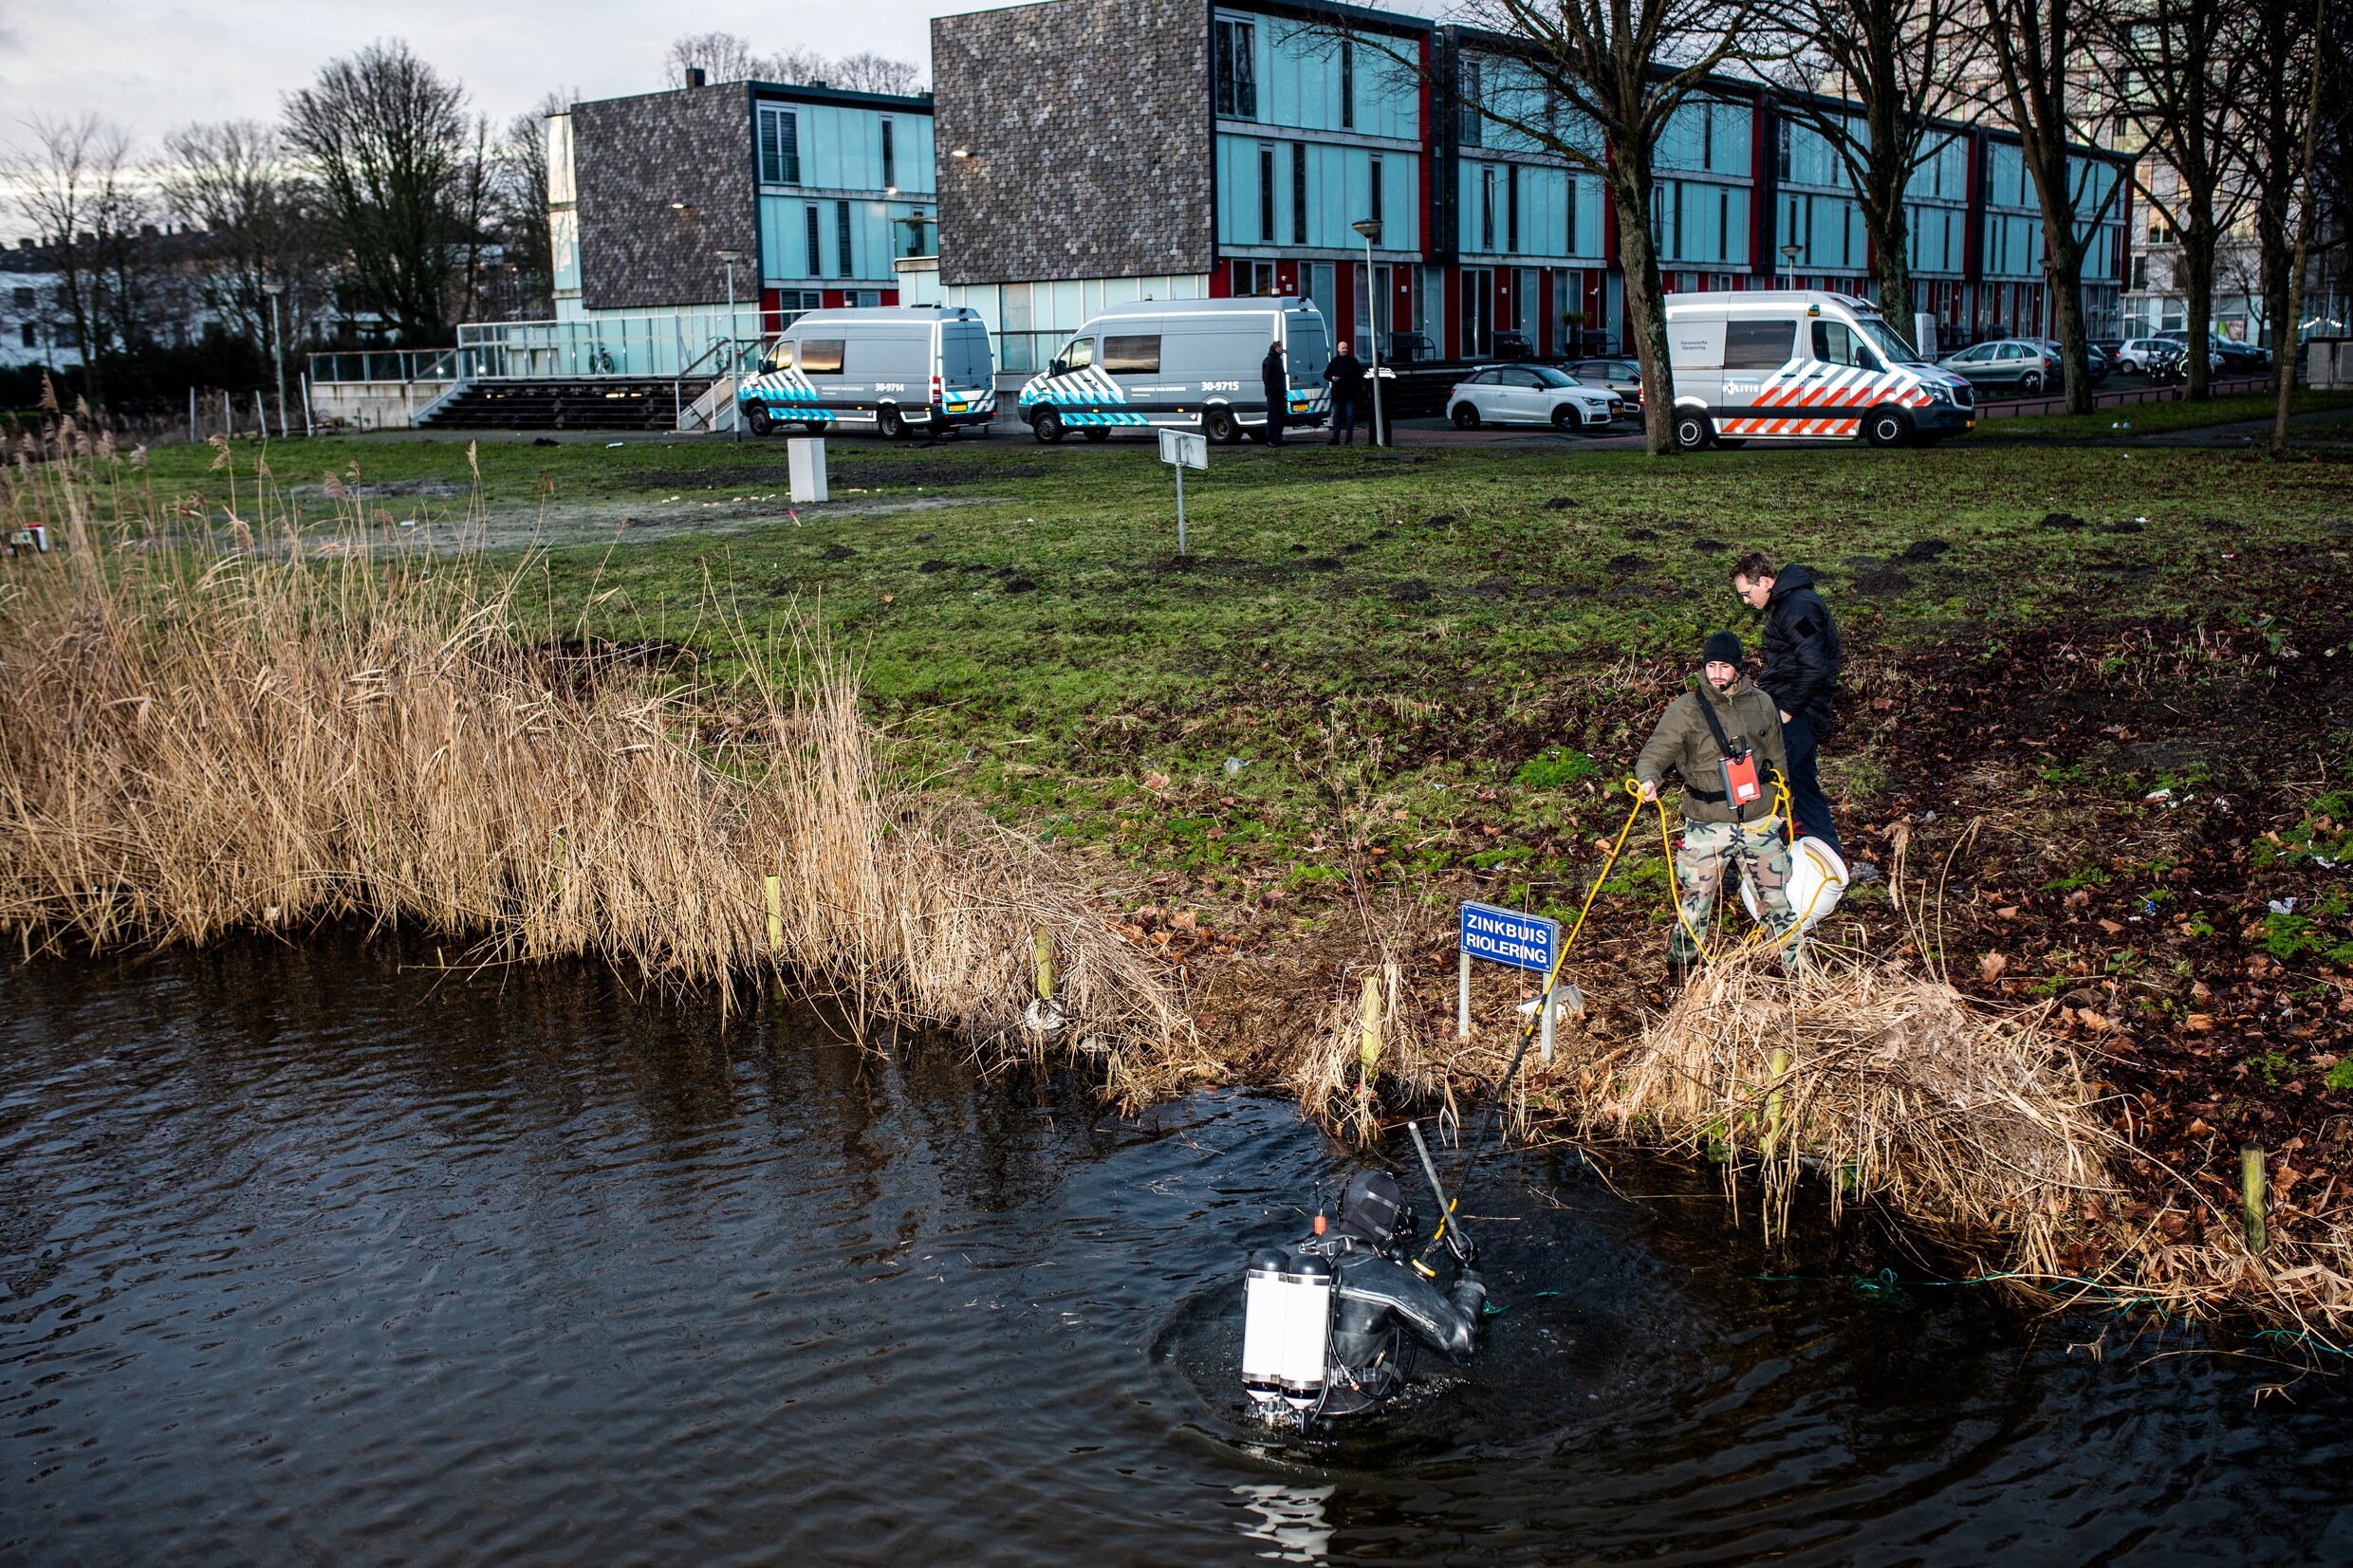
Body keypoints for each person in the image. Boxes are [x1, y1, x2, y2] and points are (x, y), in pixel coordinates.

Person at [1634, 630, 1801, 978]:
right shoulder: (1685, 709)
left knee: (1777, 902)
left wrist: (1785, 810)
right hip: (1707, 823)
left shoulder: (1762, 703)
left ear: (1738, 668)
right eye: (1711, 666)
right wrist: (1648, 778)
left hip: (1759, 820)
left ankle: (1800, 978)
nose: (1717, 674)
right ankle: (1682, 973)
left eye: (1724, 666)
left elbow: (1777, 757)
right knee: (1696, 905)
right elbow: (1655, 752)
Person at [1295, 1171, 1484, 1417]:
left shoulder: (1291, 1256)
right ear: (1388, 1221)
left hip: (1281, 1400)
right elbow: (1462, 1339)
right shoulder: (1388, 1281)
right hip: (1353, 1411)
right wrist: (1470, 1274)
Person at [1730, 553, 1869, 877]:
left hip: (1799, 712)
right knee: (1804, 786)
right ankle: (1830, 867)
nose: (1746, 602)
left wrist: (1788, 710)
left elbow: (1815, 665)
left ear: (1764, 581)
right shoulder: (1792, 605)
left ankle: (1752, 870)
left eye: (1746, 593)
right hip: (1800, 710)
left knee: (1764, 784)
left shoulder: (1798, 607)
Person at [1324, 340, 1366, 445]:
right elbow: (1325, 375)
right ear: (1338, 349)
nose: (1344, 350)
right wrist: (1332, 378)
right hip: (1337, 394)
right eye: (1342, 348)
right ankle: (1335, 439)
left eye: (1346, 348)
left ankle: (1348, 439)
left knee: (1350, 417)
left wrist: (1356, 391)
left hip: (1349, 395)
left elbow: (1358, 377)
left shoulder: (1353, 362)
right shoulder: (1334, 361)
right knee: (1337, 417)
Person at [1260, 340, 1288, 446]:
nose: (1282, 349)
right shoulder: (1269, 360)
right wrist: (1271, 389)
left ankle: (1278, 438)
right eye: (1281, 347)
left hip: (1280, 392)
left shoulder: (1277, 360)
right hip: (1273, 393)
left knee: (1280, 416)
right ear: (1276, 348)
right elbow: (1266, 377)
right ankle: (1270, 439)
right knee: (1272, 416)